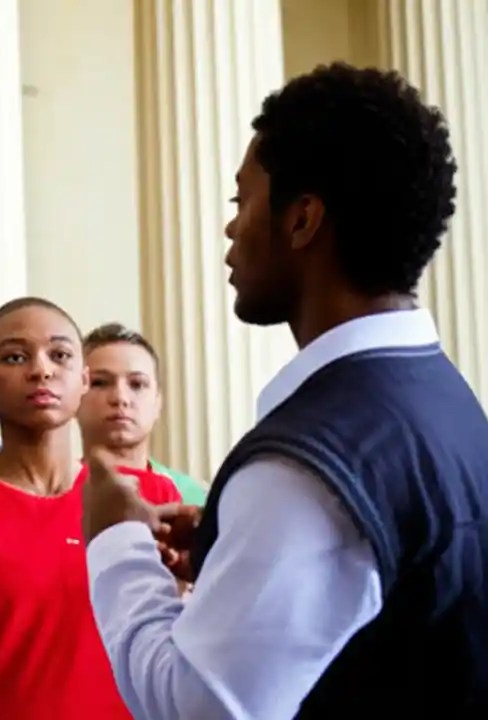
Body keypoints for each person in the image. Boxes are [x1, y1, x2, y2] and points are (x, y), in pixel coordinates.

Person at [81, 62, 488, 718]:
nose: (230, 229)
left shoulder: (305, 467)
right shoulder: (446, 399)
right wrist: (231, 544)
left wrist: (117, 545)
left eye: (242, 202)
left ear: (301, 221)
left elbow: (199, 708)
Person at [0, 298, 181, 720]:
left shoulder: (146, 494)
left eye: (59, 355)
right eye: (14, 357)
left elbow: (177, 647)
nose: (41, 370)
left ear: (82, 378)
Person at [76, 322, 207, 505]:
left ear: (158, 402)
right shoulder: (52, 492)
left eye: (137, 384)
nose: (120, 398)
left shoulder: (194, 498)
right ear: (74, 397)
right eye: (100, 383)